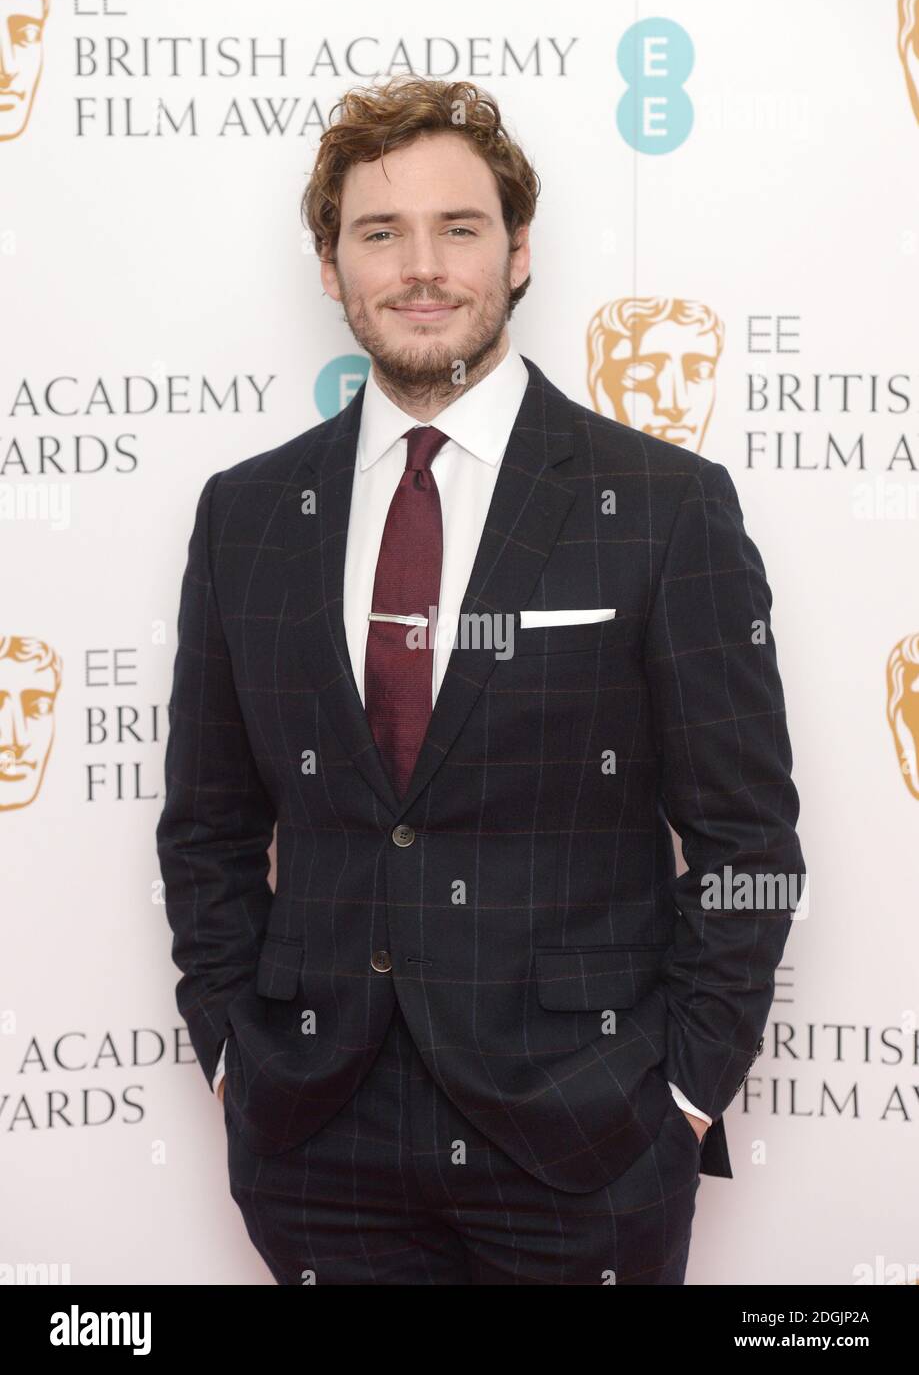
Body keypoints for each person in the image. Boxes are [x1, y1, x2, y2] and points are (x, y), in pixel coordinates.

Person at [156, 75, 805, 1285]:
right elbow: (207, 826)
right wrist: (238, 1058)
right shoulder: (245, 515)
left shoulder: (660, 508)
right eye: (379, 232)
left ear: (515, 253)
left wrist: (681, 1089)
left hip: (586, 1142)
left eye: (458, 229)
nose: (421, 267)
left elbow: (746, 836)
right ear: (329, 265)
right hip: (319, 1145)